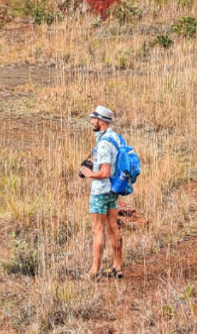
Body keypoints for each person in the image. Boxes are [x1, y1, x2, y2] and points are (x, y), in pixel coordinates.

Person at [79, 105, 123, 279]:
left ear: (101, 121)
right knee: (113, 227)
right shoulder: (115, 137)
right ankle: (117, 266)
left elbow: (104, 172)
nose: (92, 121)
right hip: (113, 189)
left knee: (98, 230)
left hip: (100, 192)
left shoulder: (104, 143)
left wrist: (89, 174)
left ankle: (95, 271)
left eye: (94, 118)